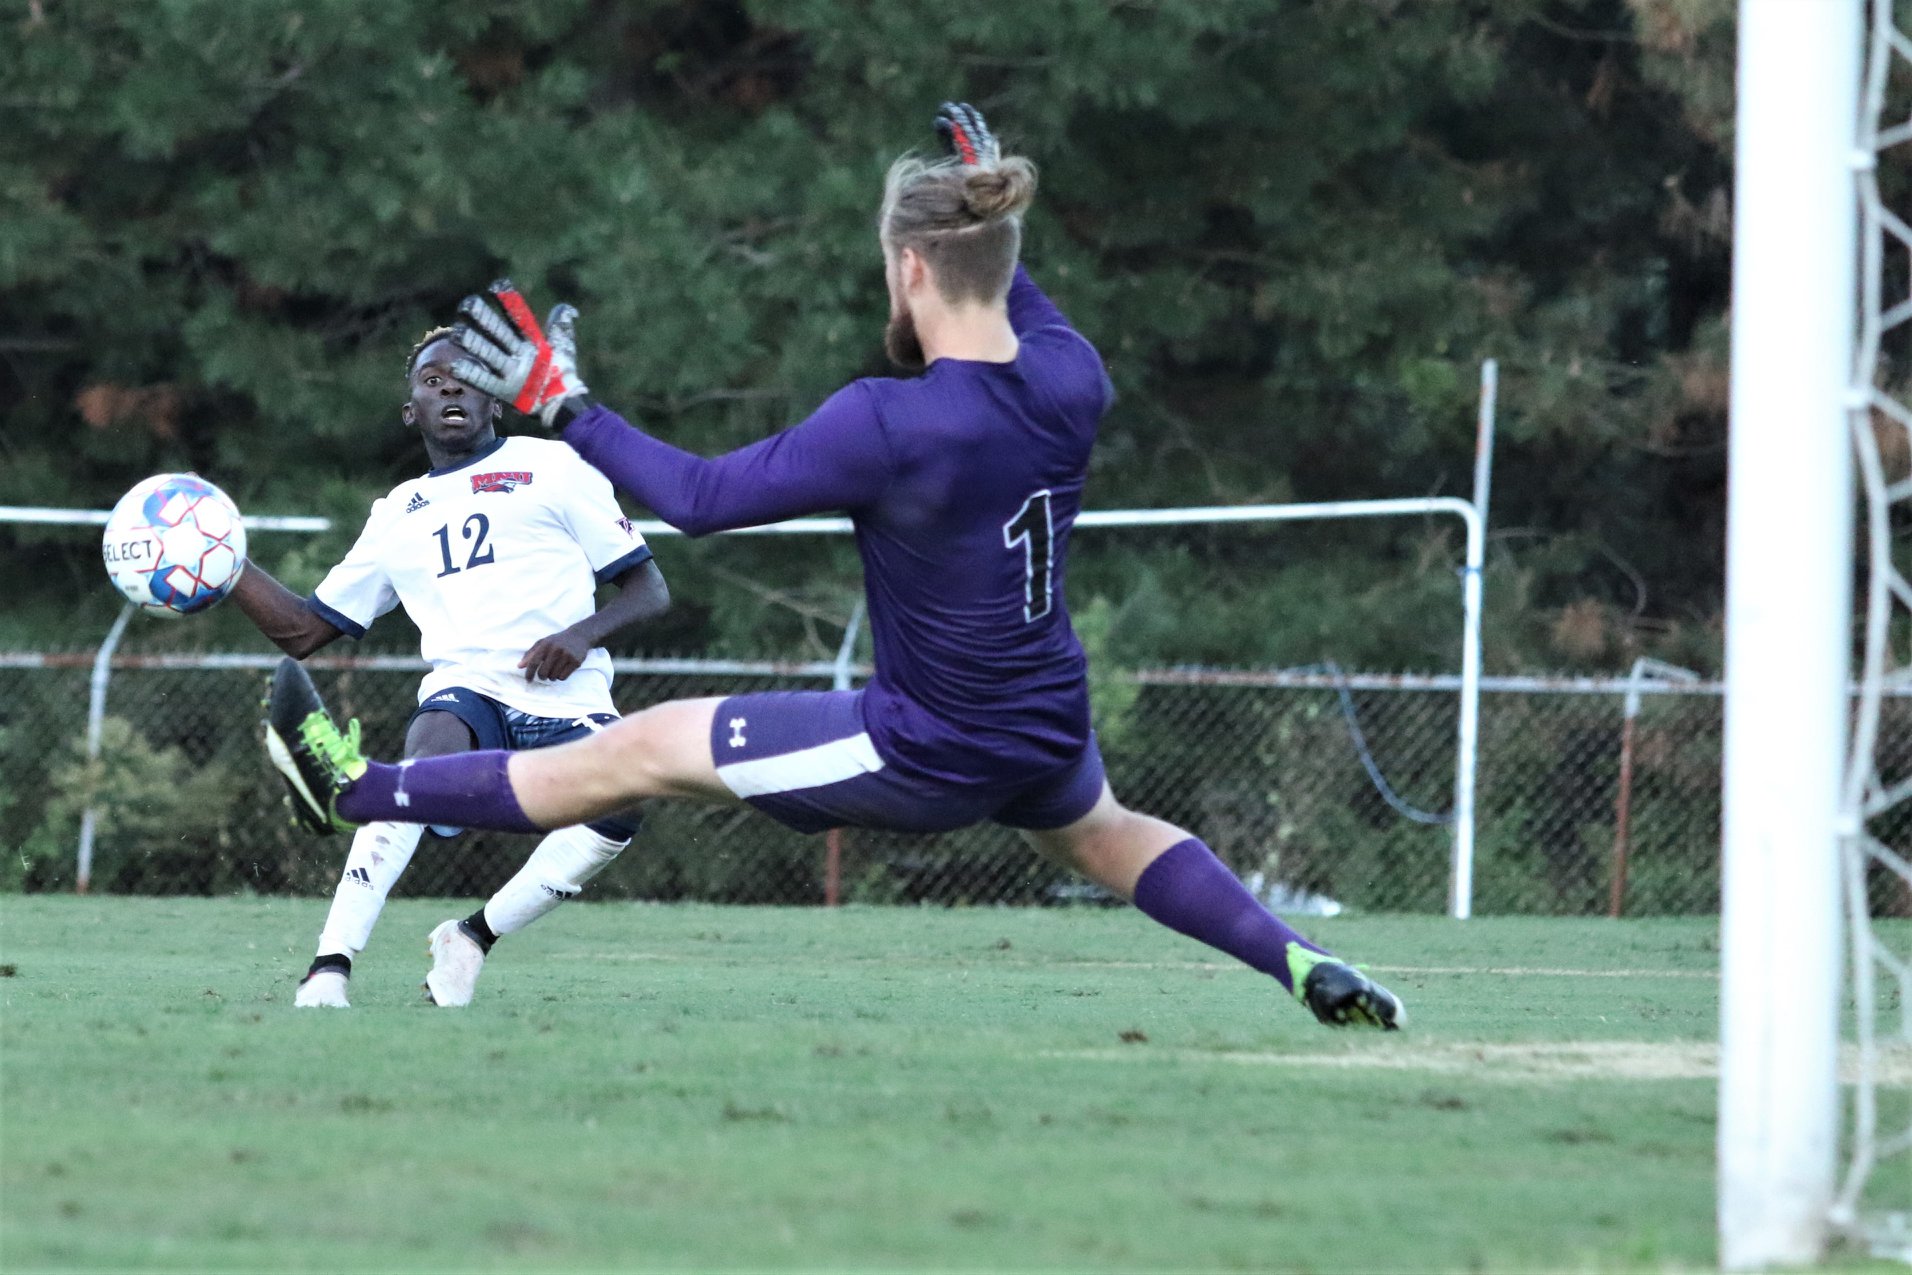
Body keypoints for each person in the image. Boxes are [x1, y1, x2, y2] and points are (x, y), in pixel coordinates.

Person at [264, 104, 1403, 1030]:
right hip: (1046, 721)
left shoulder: (889, 421)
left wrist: (567, 406)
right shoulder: (1074, 376)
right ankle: (1301, 961)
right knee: (1108, 834)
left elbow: (701, 501)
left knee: (635, 752)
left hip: (927, 741)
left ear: (909, 268)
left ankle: (358, 787)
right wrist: (985, 198)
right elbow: (1005, 284)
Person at [235, 327, 668, 1008]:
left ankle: (472, 936)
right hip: (466, 688)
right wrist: (226, 563)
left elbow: (649, 588)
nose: (451, 388)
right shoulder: (396, 514)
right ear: (412, 410)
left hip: (566, 697)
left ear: (496, 398)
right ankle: (328, 968)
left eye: (467, 377)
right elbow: (304, 630)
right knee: (418, 768)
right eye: (433, 381)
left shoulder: (556, 465)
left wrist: (580, 635)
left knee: (626, 802)